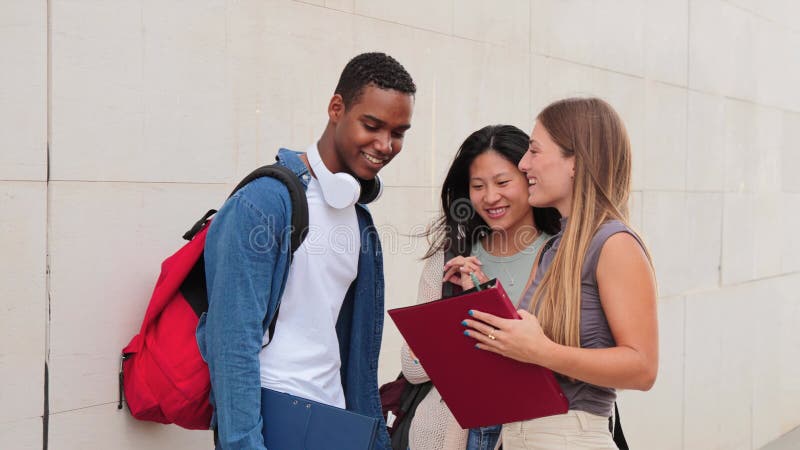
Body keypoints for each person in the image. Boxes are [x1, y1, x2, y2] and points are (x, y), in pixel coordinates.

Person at [197, 52, 416, 449]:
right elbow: (231, 343)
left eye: (398, 132)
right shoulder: (263, 203)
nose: (384, 145)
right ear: (336, 108)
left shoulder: (357, 216)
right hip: (274, 423)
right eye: (372, 125)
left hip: (333, 420)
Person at [462, 98, 659, 449]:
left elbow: (643, 368)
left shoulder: (614, 244)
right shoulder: (556, 247)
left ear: (576, 161)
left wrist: (542, 351)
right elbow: (525, 354)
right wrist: (476, 302)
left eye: (535, 151)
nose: (524, 164)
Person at [400, 125, 561, 450]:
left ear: (529, 178)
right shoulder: (451, 260)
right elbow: (412, 367)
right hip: (449, 436)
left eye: (503, 182)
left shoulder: (562, 260)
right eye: (478, 186)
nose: (490, 197)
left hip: (533, 436)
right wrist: (461, 307)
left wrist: (486, 308)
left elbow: (567, 362)